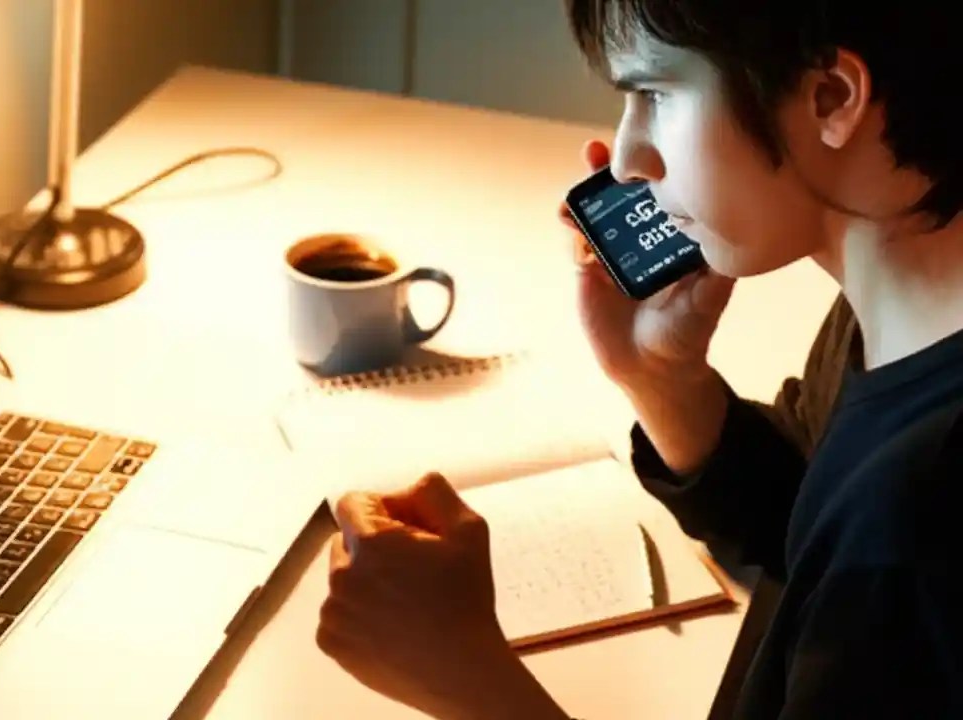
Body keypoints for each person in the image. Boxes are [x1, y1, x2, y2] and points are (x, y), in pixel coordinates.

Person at [314, 1, 963, 718]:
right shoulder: (899, 306)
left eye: (653, 94)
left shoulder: (918, 521)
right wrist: (663, 378)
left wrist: (468, 681)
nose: (627, 157)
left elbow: (870, 568)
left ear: (832, 97)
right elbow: (810, 528)